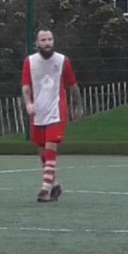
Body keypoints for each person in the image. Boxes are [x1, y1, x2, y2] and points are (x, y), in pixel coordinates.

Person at [21, 29, 84, 203]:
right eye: (43, 40)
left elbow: (72, 85)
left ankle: (45, 189)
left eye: (50, 39)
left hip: (57, 110)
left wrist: (78, 106)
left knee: (51, 146)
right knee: (42, 151)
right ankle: (54, 184)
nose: (47, 43)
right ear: (37, 43)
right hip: (38, 112)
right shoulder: (30, 62)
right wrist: (29, 104)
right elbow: (26, 86)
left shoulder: (63, 61)